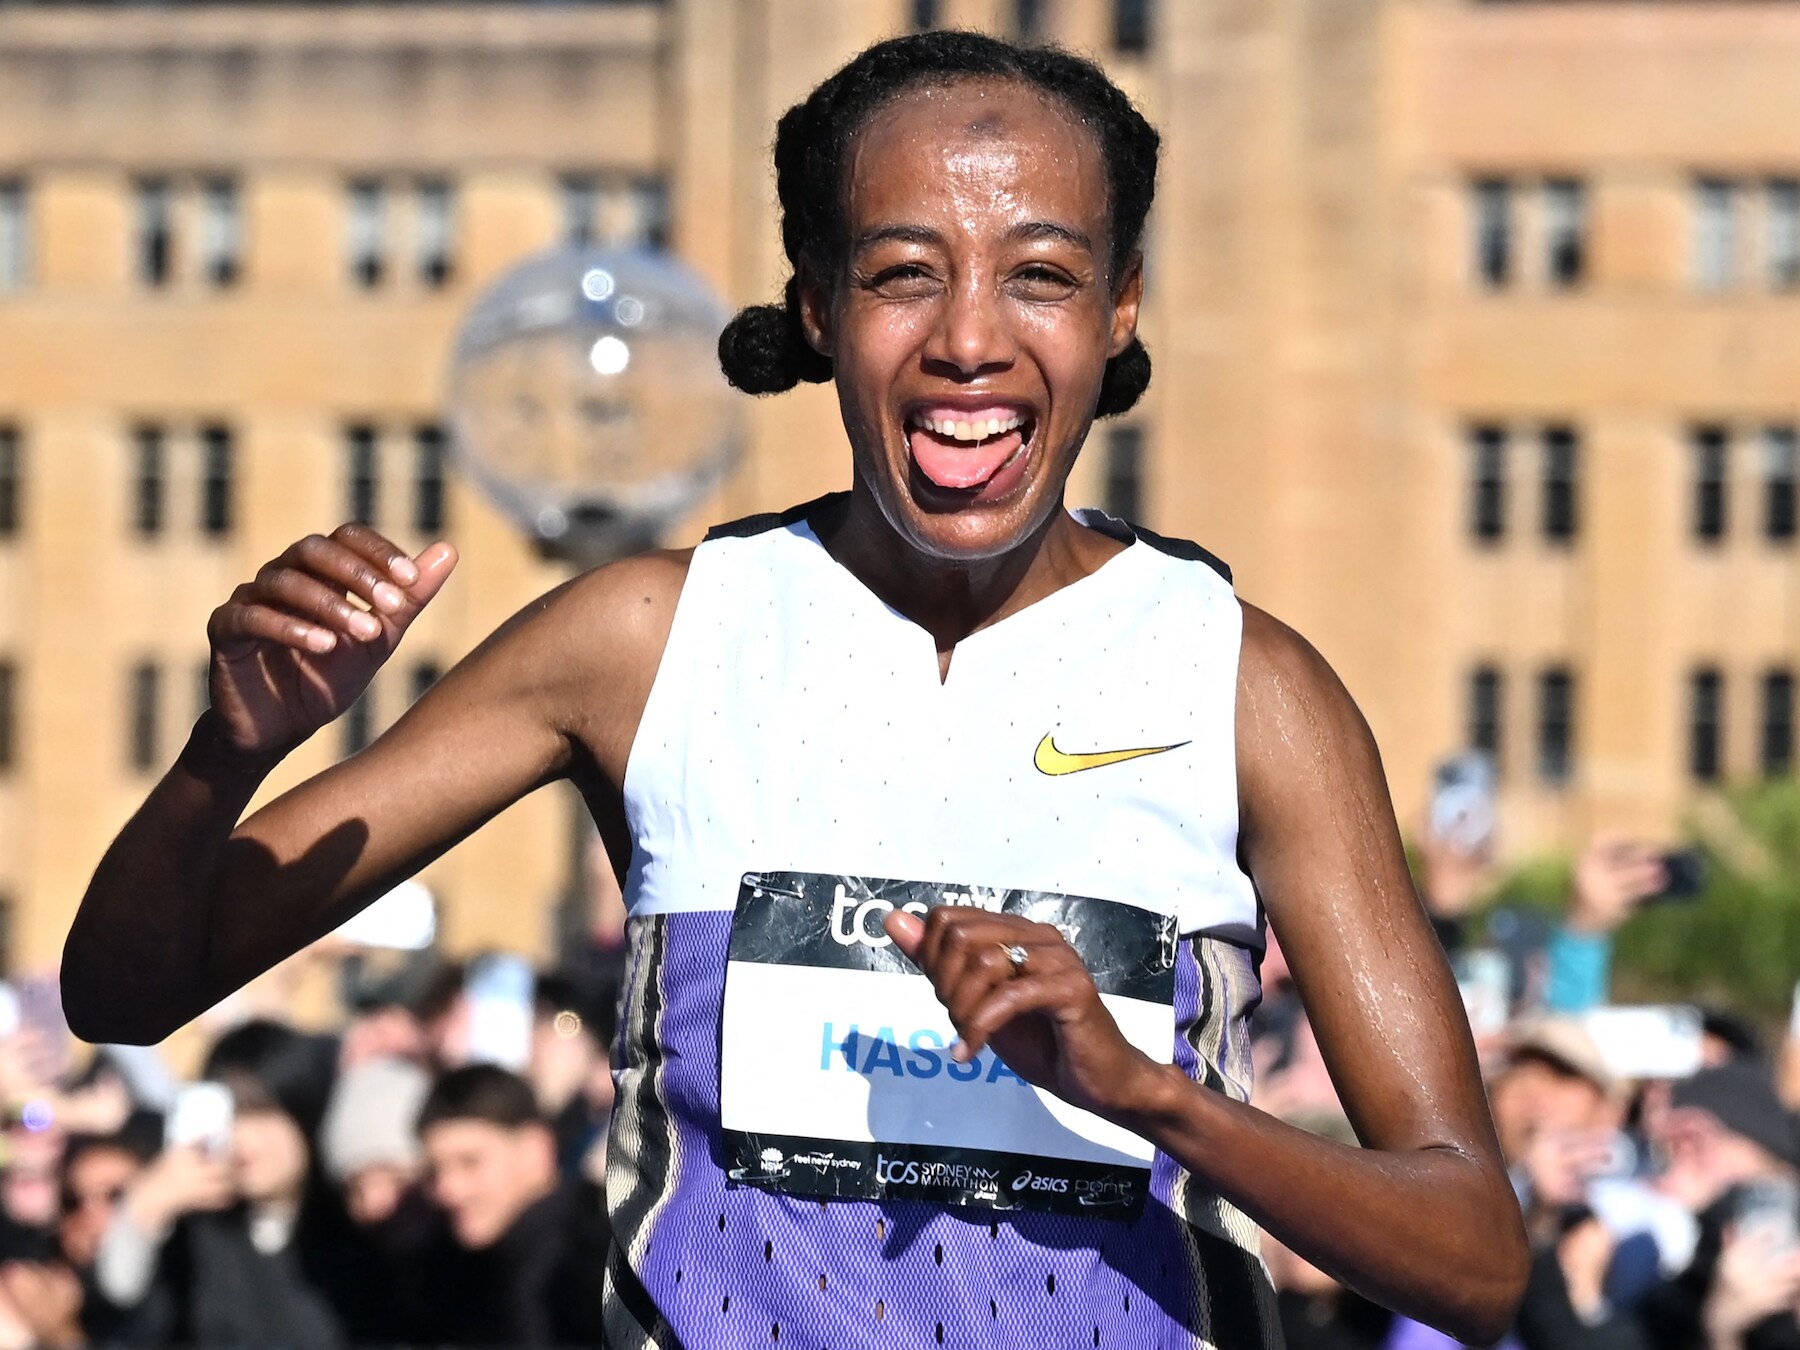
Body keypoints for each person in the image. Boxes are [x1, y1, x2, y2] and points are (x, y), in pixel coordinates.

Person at [62, 29, 1527, 1349]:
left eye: (1040, 273)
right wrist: (224, 754)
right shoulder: (648, 639)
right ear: (817, 303)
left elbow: (1473, 1259)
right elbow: (126, 989)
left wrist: (1149, 1095)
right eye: (903, 273)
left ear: (1120, 306)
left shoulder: (1244, 681)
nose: (969, 338)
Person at [404, 1064, 608, 1347]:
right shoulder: (454, 1273)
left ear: (535, 1149)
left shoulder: (598, 1266)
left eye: (470, 1162)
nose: (448, 1191)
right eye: (434, 1172)